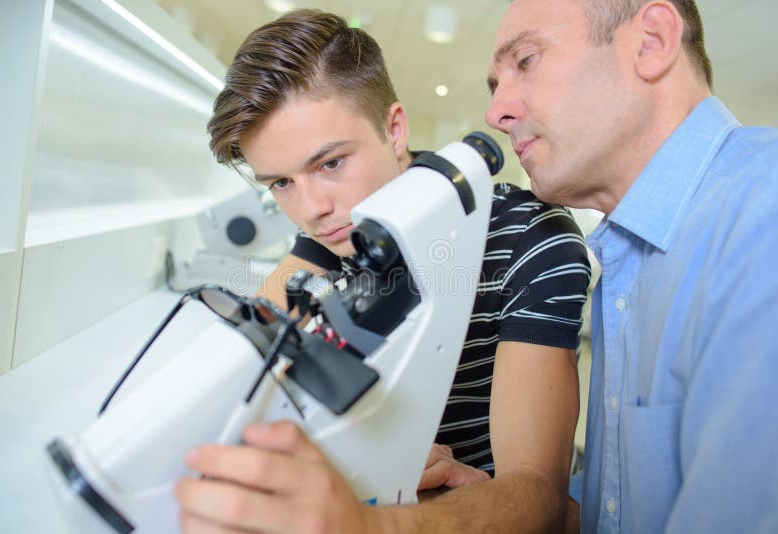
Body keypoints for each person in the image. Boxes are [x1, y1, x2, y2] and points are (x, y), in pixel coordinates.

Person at [174, 8, 591, 533]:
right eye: (280, 183)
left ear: (394, 130)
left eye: (330, 164)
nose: (310, 209)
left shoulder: (529, 236)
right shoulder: (331, 235)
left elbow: (537, 499)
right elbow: (247, 366)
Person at [483, 0, 778, 532]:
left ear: (652, 42)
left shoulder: (764, 216)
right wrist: (486, 509)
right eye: (494, 85)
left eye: (525, 60)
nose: (496, 112)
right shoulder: (627, 261)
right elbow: (624, 510)